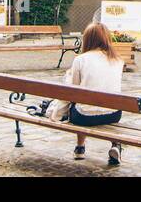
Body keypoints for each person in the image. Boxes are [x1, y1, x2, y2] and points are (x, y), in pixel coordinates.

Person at [43, 23, 126, 165]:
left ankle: (80, 148)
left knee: (80, 104)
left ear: (87, 39)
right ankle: (115, 145)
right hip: (113, 115)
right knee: (104, 100)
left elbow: (72, 92)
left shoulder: (81, 60)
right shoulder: (118, 60)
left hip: (84, 117)